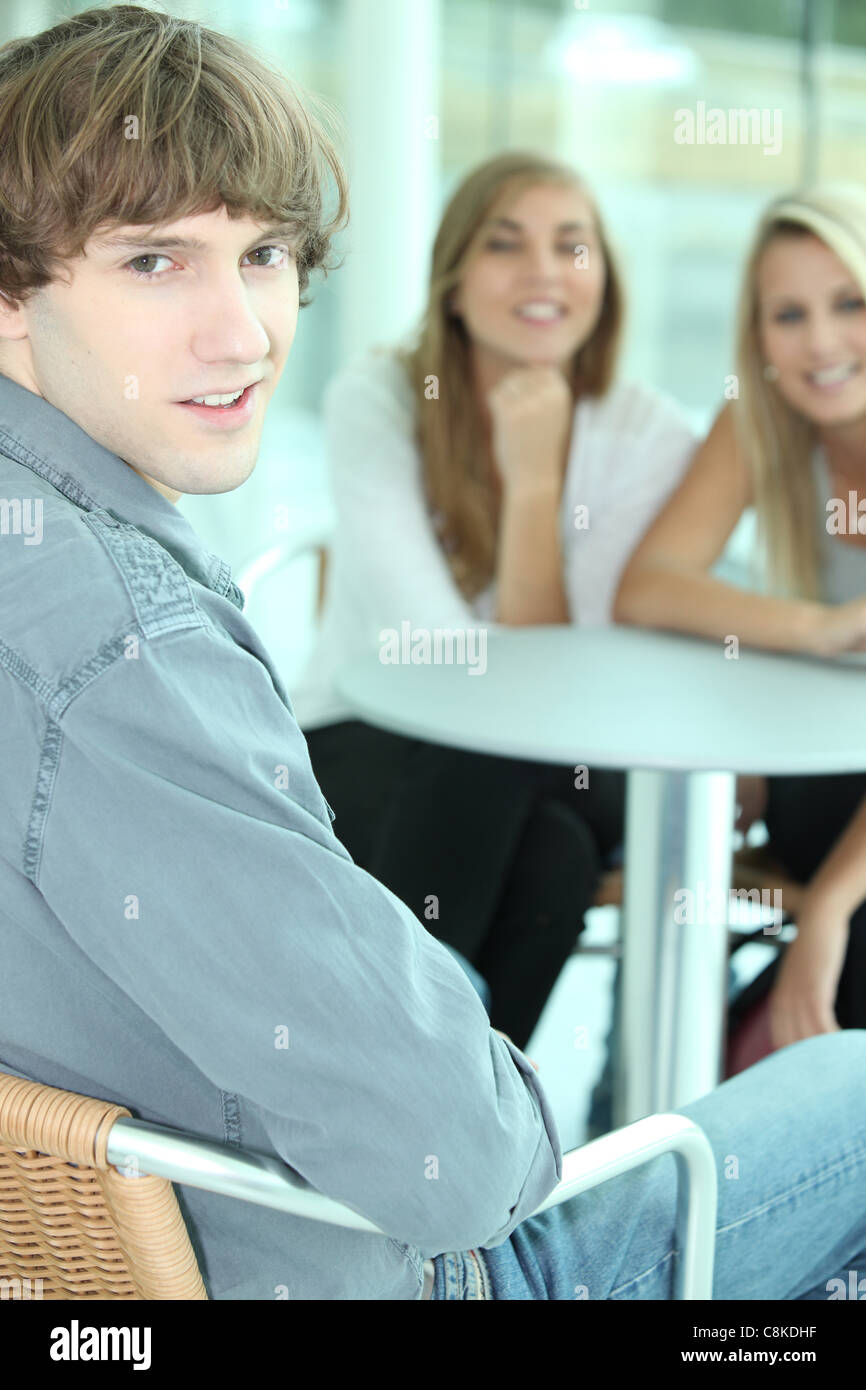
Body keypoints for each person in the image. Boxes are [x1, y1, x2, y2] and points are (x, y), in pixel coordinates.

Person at [1, 4, 865, 1303]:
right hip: (381, 1263)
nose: (243, 334)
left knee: (529, 854)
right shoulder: (126, 651)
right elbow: (470, 1164)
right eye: (154, 261)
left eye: (266, 254)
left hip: (171, 1199)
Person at [293, 149, 699, 1051]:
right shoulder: (382, 399)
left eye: (573, 245)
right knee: (551, 858)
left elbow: (558, 682)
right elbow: (438, 655)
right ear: (455, 279)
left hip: (570, 753)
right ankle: (466, 1117)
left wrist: (533, 481)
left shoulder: (651, 434)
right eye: (506, 244)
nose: (545, 272)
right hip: (368, 730)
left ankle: (387, 1059)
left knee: (508, 764)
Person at [615, 184, 866, 1053]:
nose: (821, 343)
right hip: (825, 784)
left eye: (850, 304)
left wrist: (830, 906)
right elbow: (649, 586)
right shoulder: (766, 422)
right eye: (788, 315)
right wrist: (820, 628)